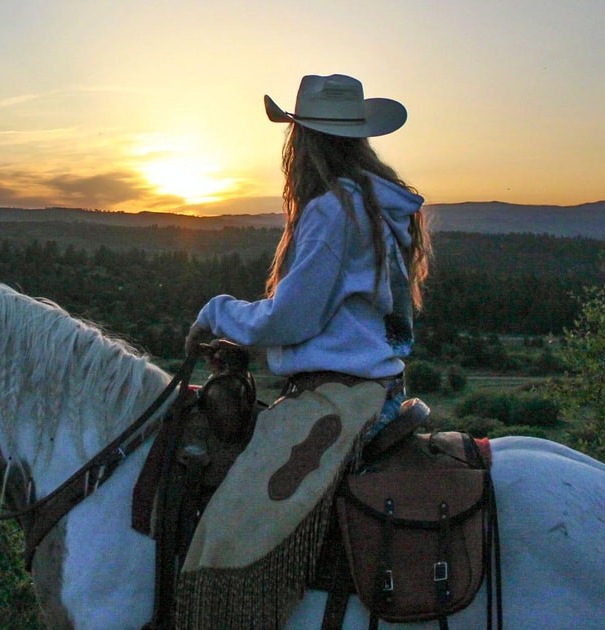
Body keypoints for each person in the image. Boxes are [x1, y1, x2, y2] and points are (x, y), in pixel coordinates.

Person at [175, 74, 431, 628]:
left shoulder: (332, 210)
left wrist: (216, 311)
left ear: (302, 140)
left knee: (230, 527)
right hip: (374, 388)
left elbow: (292, 317)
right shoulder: (379, 205)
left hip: (334, 396)